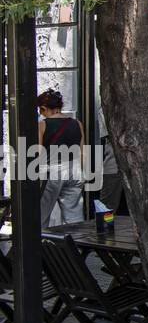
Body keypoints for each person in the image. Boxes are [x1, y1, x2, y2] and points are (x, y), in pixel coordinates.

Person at [37, 90, 84, 227]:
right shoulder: (77, 123)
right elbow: (82, 152)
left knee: (42, 214)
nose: (40, 113)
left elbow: (39, 153)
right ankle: (76, 246)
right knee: (74, 215)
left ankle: (41, 246)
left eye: (40, 110)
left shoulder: (42, 125)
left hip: (52, 172)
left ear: (44, 108)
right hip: (75, 171)